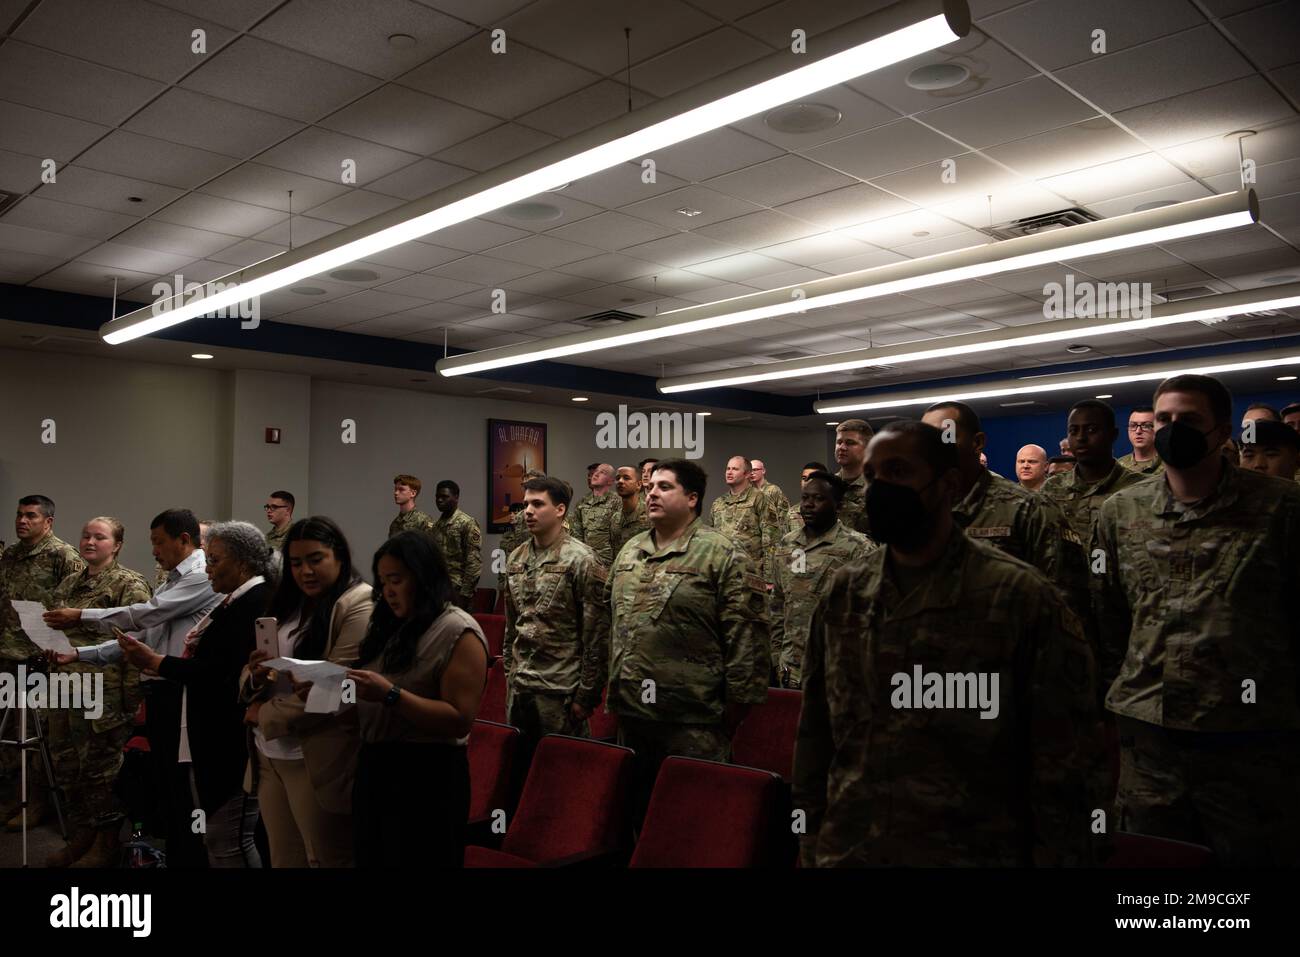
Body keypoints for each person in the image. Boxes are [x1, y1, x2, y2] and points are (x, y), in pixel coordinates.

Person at [793, 421, 1103, 867]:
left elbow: (1067, 758)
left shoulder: (1018, 596)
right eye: (875, 475)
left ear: (949, 484)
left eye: (899, 472)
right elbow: (816, 731)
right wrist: (808, 837)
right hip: (854, 844)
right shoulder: (845, 591)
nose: (883, 488)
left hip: (974, 848)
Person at [1093, 374, 1300, 866]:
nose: (1171, 429)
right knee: (1154, 874)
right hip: (1150, 740)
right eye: (1163, 419)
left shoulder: (1282, 509)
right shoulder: (1119, 512)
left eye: (1189, 420)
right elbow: (1108, 618)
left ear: (1222, 431)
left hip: (1252, 741)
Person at [46, 508, 221, 868]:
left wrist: (80, 616)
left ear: (184, 540)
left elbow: (145, 614)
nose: (154, 551)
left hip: (179, 691)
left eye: (159, 542)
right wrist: (80, 653)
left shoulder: (201, 575)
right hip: (157, 690)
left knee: (181, 792)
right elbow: (138, 637)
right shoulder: (173, 578)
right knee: (165, 789)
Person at [606, 459, 769, 821]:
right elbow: (610, 622)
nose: (652, 494)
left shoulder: (722, 553)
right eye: (650, 487)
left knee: (693, 822)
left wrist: (732, 712)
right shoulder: (630, 550)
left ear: (692, 498)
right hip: (633, 715)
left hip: (693, 719)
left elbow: (748, 640)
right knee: (635, 819)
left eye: (665, 487)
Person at [117, 521, 272, 868]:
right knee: (216, 834)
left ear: (243, 563)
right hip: (209, 730)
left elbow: (218, 673)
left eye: (215, 561)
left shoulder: (255, 603)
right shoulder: (234, 602)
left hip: (230, 735)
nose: (208, 569)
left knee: (230, 837)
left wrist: (156, 662)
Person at [348, 532, 488, 867]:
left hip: (427, 775)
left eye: (396, 580)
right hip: (376, 766)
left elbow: (458, 719)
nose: (387, 592)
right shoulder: (391, 625)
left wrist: (390, 695)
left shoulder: (458, 630)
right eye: (382, 582)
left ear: (423, 577)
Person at [242, 516, 373, 868]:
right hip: (270, 753)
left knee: (326, 859)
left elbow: (338, 685)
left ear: (339, 557)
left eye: (316, 559)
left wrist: (264, 714)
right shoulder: (287, 602)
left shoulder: (358, 601)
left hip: (318, 753)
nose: (306, 571)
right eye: (297, 563)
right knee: (284, 859)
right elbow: (255, 667)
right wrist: (255, 677)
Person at [42, 517, 151, 867]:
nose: (90, 542)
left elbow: (135, 645)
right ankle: (82, 838)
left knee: (101, 771)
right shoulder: (70, 582)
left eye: (99, 537)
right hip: (63, 689)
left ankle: (106, 844)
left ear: (116, 545)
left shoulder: (129, 585)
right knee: (67, 766)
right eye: (86, 536)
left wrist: (132, 702)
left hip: (103, 694)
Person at [920, 402, 1087, 620]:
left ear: (977, 442)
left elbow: (1065, 600)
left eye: (947, 436)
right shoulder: (918, 510)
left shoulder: (1029, 509)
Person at [503, 477, 609, 763]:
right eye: (526, 504)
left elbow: (596, 637)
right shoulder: (516, 557)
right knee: (518, 773)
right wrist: (508, 675)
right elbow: (511, 627)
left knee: (562, 776)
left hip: (560, 692)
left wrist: (586, 697)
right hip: (520, 689)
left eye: (538, 504)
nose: (528, 511)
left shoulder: (582, 560)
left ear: (560, 510)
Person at [0, 495, 84, 824]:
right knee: (9, 733)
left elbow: (76, 606)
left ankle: (38, 803)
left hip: (41, 658)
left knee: (40, 732)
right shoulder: (10, 555)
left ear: (47, 522)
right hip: (7, 655)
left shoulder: (63, 555)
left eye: (31, 516)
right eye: (19, 515)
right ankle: (14, 798)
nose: (22, 521)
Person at [770, 472, 875, 689]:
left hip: (837, 670)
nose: (808, 505)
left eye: (818, 499)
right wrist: (775, 656)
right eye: (805, 498)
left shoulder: (858, 548)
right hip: (791, 669)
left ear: (837, 506)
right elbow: (778, 605)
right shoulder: (786, 545)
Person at [1038, 401, 1147, 548]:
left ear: (1113, 435)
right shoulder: (1052, 488)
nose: (1081, 438)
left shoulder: (1140, 488)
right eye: (1073, 431)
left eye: (1091, 430)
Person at [710, 454, 782, 582]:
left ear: (747, 474)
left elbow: (771, 540)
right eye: (728, 469)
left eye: (735, 469)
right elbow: (712, 542)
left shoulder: (760, 498)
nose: (729, 472)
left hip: (752, 575)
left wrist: (770, 578)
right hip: (723, 575)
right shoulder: (718, 503)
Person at [432, 480, 482, 610]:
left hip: (457, 592)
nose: (439, 500)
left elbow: (474, 562)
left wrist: (464, 595)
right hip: (438, 590)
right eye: (437, 497)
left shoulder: (467, 523)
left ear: (456, 497)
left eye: (445, 497)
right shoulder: (437, 526)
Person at [570, 463, 619, 565]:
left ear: (610, 481)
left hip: (608, 562)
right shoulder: (582, 502)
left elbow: (619, 535)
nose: (595, 475)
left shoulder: (617, 502)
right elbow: (576, 533)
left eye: (602, 472)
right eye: (595, 472)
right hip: (586, 561)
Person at [833, 420, 872, 535]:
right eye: (839, 442)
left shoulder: (879, 488)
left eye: (850, 443)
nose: (842, 447)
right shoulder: (827, 485)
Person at [609, 466, 649, 558]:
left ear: (639, 485)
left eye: (626, 478)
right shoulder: (615, 518)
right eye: (617, 478)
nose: (620, 481)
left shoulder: (651, 515)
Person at [1117, 406, 1163, 476]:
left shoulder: (1170, 466)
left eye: (1146, 426)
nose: (1138, 431)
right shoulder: (1118, 466)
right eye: (1133, 425)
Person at [786, 461, 830, 532]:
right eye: (804, 478)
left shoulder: (832, 510)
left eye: (812, 478)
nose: (807, 482)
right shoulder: (792, 513)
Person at [389, 474, 436, 539]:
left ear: (413, 493)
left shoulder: (423, 521)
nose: (396, 493)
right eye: (395, 489)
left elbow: (430, 547)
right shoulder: (395, 524)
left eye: (401, 489)